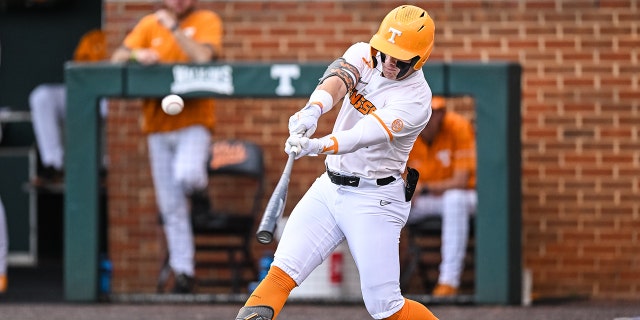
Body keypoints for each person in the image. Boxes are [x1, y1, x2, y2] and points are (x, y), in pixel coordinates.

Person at [234, 5, 438, 320]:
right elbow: (341, 78)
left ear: (419, 60)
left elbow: (362, 135)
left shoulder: (416, 99)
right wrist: (312, 110)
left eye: (401, 59)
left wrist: (318, 145)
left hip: (376, 198)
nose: (389, 63)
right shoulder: (365, 53)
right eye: (385, 52)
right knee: (279, 273)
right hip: (330, 187)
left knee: (386, 309)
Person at [110, 0, 222, 293]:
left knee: (187, 175)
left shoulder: (206, 20)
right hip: (157, 125)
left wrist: (174, 29)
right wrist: (138, 54)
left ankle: (199, 193)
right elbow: (118, 57)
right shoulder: (149, 24)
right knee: (170, 205)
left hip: (194, 121)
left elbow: (203, 58)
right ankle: (184, 271)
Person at [406, 96, 477, 297]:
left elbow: (461, 182)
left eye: (435, 112)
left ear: (442, 114)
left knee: (455, 199)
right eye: (426, 112)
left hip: (466, 197)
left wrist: (425, 188)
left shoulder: (458, 126)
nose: (430, 117)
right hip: (426, 201)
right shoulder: (407, 131)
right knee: (388, 205)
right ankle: (382, 281)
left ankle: (448, 282)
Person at [29, 29, 108, 185]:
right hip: (85, 91)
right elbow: (79, 68)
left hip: (109, 97)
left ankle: (107, 167)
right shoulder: (94, 39)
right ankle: (54, 164)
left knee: (111, 104)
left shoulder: (135, 38)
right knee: (41, 96)